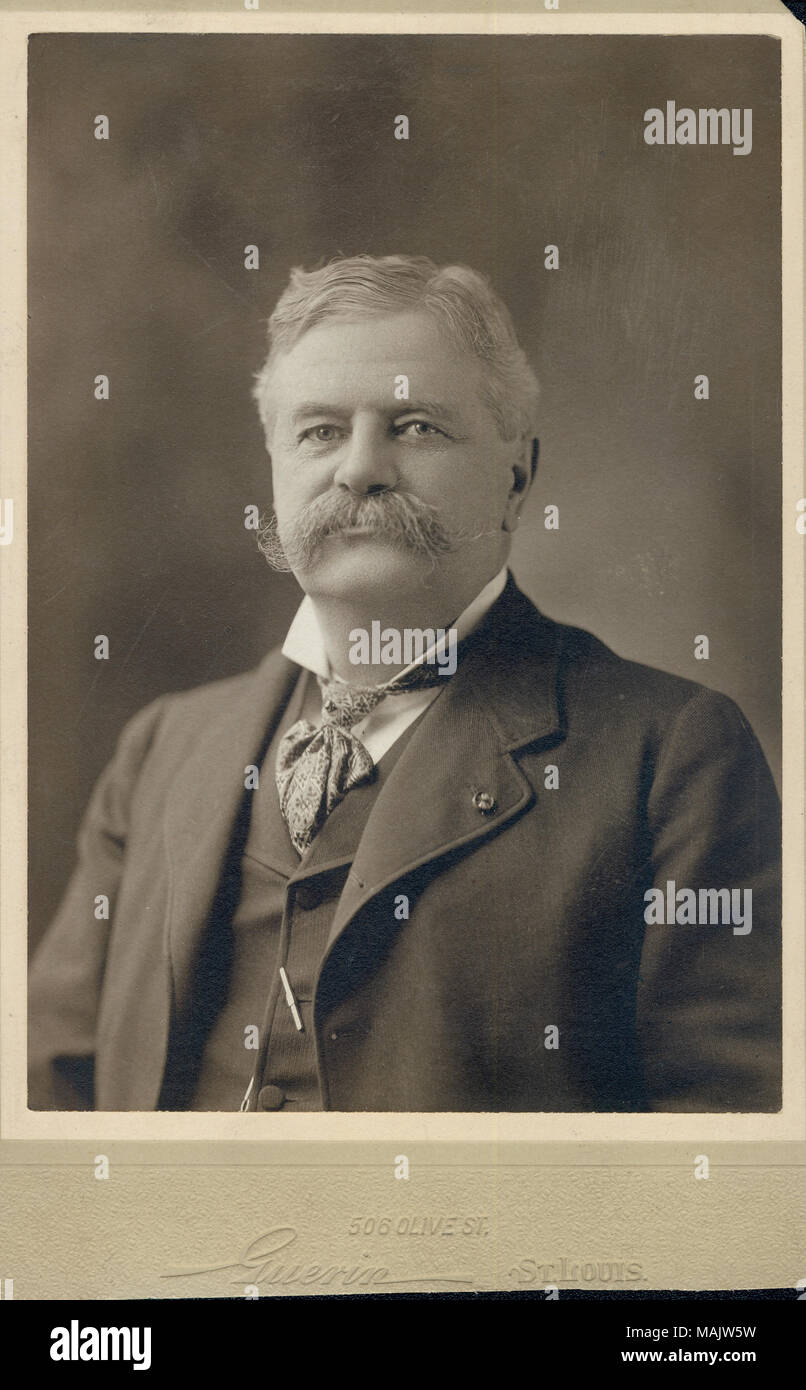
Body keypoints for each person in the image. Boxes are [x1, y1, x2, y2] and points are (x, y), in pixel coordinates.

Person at [28, 253, 781, 1113]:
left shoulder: (670, 757)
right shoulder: (161, 746)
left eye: (414, 426)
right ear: (275, 469)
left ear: (516, 476)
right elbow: (48, 1093)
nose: (360, 469)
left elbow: (720, 1141)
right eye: (319, 430)